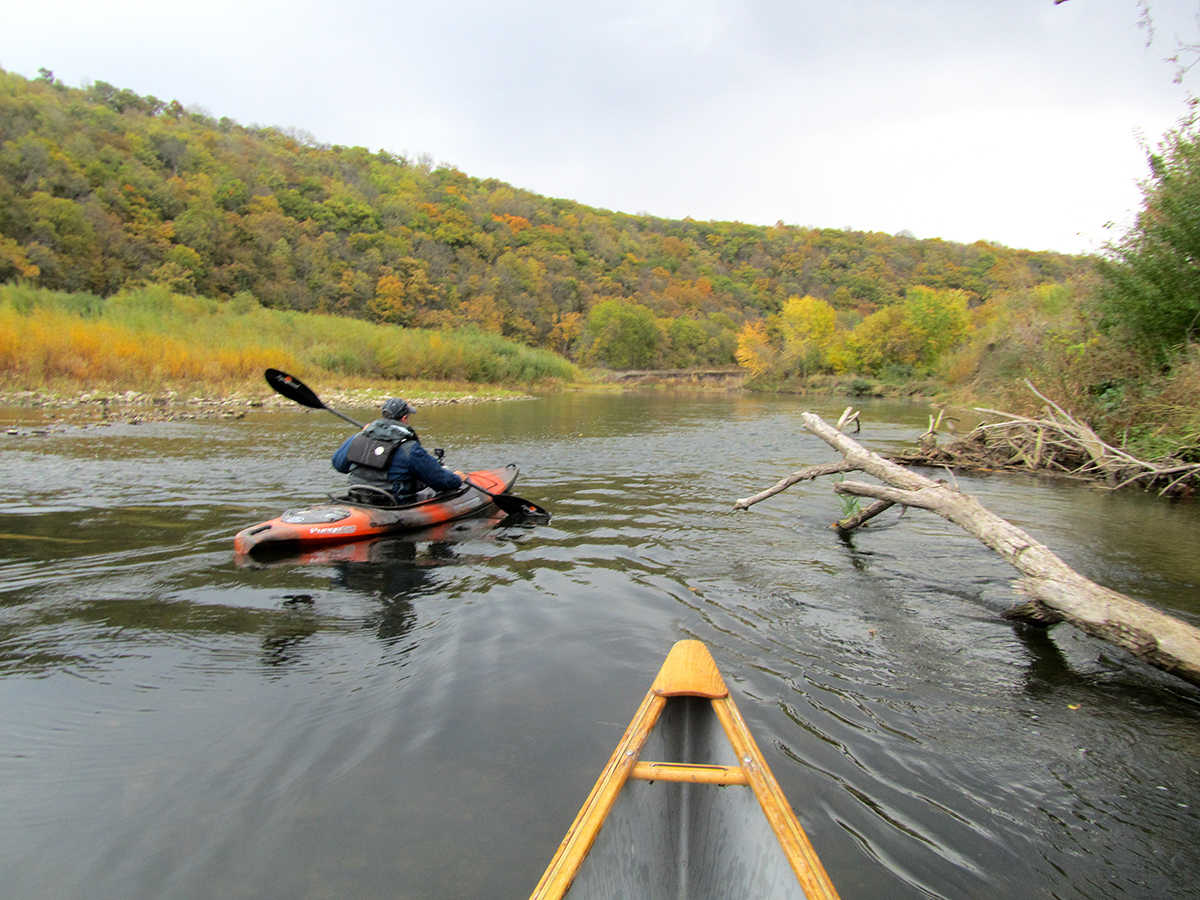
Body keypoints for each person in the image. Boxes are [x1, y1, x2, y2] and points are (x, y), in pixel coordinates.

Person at [331, 397, 463, 503]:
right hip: (392, 503)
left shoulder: (359, 437)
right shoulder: (409, 448)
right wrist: (457, 479)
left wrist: (362, 436)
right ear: (405, 418)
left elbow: (339, 465)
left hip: (359, 496)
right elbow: (439, 480)